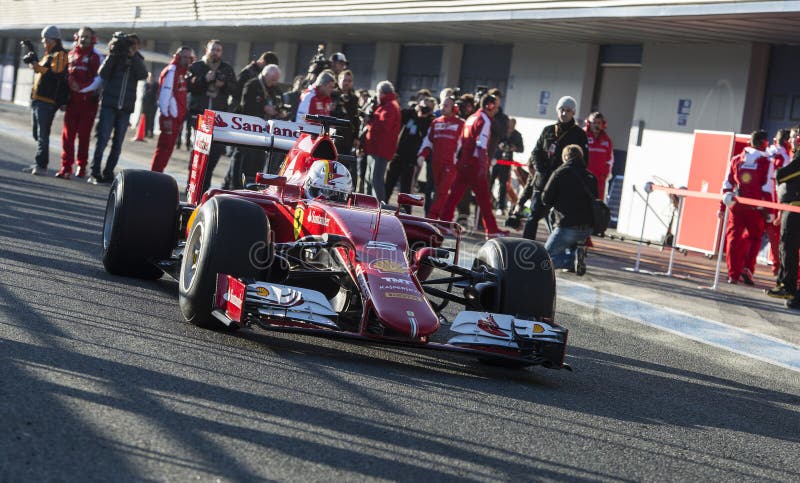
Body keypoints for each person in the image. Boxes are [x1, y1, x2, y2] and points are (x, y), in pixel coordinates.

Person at [516, 95, 589, 240]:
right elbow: (536, 152)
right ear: (557, 110)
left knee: (560, 222)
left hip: (563, 184)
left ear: (573, 113)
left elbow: (584, 161)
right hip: (543, 181)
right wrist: (540, 169)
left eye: (568, 111)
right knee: (533, 216)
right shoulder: (548, 130)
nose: (564, 113)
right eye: (562, 110)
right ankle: (526, 247)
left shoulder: (579, 135)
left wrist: (566, 174)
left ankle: (558, 253)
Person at [437, 94, 507, 239]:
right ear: (490, 105)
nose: (496, 110)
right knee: (483, 198)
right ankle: (492, 229)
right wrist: (483, 164)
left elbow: (461, 141)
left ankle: (443, 223)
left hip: (464, 162)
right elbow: (481, 144)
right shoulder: (484, 120)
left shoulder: (472, 118)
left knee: (455, 195)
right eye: (495, 106)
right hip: (474, 163)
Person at [87, 32, 147, 184]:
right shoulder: (116, 55)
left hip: (125, 108)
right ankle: (94, 172)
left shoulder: (138, 59)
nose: (130, 46)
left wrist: (133, 56)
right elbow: (103, 73)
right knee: (102, 140)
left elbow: (143, 75)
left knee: (118, 143)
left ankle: (108, 172)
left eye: (134, 44)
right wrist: (114, 54)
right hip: (109, 105)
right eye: (129, 43)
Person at [719, 130, 773, 285]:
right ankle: (748, 268)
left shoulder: (736, 159)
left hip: (736, 205)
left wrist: (722, 207)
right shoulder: (766, 161)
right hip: (755, 208)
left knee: (733, 239)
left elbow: (727, 184)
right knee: (755, 238)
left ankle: (732, 274)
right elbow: (768, 188)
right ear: (764, 143)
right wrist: (771, 211)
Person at [185, 39, 238, 193]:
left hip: (217, 119)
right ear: (206, 49)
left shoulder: (226, 69)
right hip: (198, 116)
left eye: (218, 50)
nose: (215, 52)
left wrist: (225, 86)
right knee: (198, 155)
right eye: (213, 49)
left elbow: (236, 91)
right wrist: (204, 80)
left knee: (212, 157)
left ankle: (204, 190)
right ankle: (192, 187)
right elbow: (188, 86)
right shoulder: (197, 66)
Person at [223, 64, 282, 187]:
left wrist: (279, 110)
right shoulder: (252, 85)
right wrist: (264, 108)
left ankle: (252, 188)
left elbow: (279, 102)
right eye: (273, 80)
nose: (274, 83)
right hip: (247, 133)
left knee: (257, 164)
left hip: (263, 136)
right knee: (240, 164)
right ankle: (235, 188)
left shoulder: (274, 89)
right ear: (265, 75)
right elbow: (246, 106)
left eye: (276, 80)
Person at [542, 144, 597, 273]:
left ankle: (570, 259)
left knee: (543, 260)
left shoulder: (559, 173)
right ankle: (576, 253)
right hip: (588, 228)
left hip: (567, 226)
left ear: (565, 157)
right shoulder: (590, 176)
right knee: (563, 227)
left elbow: (546, 198)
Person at [57, 26, 101, 179]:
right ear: (77, 37)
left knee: (83, 137)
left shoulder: (96, 57)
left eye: (87, 37)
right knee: (68, 137)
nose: (84, 39)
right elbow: (65, 77)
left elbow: (99, 80)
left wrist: (81, 88)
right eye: (82, 36)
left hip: (88, 104)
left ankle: (82, 166)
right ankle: (66, 167)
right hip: (72, 104)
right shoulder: (70, 55)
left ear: (92, 39)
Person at [23, 25, 68, 176]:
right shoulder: (48, 54)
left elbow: (56, 74)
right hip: (37, 99)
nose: (43, 41)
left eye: (45, 38)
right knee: (37, 133)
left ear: (53, 39)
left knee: (43, 134)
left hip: (47, 101)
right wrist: (33, 62)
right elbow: (40, 70)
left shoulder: (60, 54)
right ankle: (38, 162)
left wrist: (37, 66)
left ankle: (41, 165)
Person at [767, 126, 800, 305]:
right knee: (785, 247)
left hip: (796, 209)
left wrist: (781, 179)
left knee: (788, 247)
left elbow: (782, 174)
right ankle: (786, 286)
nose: (792, 140)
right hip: (790, 207)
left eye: (795, 137)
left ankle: (787, 287)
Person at [385, 97, 435, 210]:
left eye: (428, 108)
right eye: (423, 106)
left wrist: (424, 116)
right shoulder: (411, 114)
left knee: (407, 189)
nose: (424, 110)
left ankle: (406, 212)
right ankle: (382, 204)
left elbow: (425, 133)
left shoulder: (430, 121)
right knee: (388, 183)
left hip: (412, 160)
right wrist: (415, 109)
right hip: (398, 155)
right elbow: (400, 115)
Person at [418, 95, 464, 218]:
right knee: (438, 193)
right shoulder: (435, 122)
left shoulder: (461, 124)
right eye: (442, 105)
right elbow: (428, 141)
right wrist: (422, 155)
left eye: (446, 105)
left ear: (454, 108)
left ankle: (432, 217)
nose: (443, 108)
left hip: (451, 164)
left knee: (443, 192)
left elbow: (466, 143)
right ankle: (444, 219)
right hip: (435, 163)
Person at [149, 46, 193, 173]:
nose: (187, 60)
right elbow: (164, 97)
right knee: (163, 149)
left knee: (167, 150)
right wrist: (167, 117)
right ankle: (155, 175)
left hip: (176, 119)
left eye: (188, 57)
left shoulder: (182, 72)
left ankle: (157, 174)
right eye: (184, 57)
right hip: (170, 118)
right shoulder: (172, 71)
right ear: (178, 57)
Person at [363, 80, 401, 202]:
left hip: (380, 149)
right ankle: (367, 204)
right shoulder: (386, 105)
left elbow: (385, 126)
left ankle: (379, 206)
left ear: (382, 93)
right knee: (369, 178)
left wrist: (370, 120)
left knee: (376, 179)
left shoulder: (389, 106)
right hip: (375, 148)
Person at [765, 129, 791, 276]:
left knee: (753, 232)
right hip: (775, 196)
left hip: (759, 194)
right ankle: (777, 266)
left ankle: (745, 265)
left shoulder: (767, 151)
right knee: (775, 234)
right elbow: (783, 184)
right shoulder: (785, 157)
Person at [330, 69, 361, 179]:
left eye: (349, 80)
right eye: (344, 80)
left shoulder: (354, 98)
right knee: (331, 162)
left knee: (344, 165)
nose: (346, 83)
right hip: (334, 134)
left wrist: (356, 137)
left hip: (348, 137)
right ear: (339, 80)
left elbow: (356, 119)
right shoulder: (332, 95)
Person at [489, 117, 524, 215]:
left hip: (506, 162)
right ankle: (486, 202)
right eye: (510, 124)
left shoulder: (517, 135)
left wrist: (514, 147)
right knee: (490, 182)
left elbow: (521, 149)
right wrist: (499, 146)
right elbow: (493, 141)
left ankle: (500, 207)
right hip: (497, 160)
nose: (511, 126)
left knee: (503, 185)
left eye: (513, 124)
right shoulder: (501, 132)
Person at [584, 111, 614, 201]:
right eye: (594, 122)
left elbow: (610, 160)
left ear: (603, 124)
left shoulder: (607, 140)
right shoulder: (582, 136)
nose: (596, 125)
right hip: (583, 178)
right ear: (589, 123)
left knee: (596, 205)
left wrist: (604, 175)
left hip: (599, 181)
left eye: (599, 123)